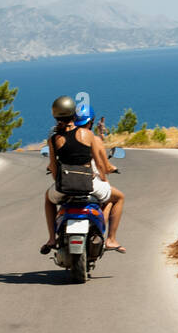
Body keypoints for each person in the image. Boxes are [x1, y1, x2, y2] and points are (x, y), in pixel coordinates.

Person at [41, 96, 126, 255]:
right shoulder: (87, 135)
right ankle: (111, 239)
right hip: (89, 185)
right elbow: (101, 164)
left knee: (48, 198)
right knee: (119, 197)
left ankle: (52, 238)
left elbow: (53, 168)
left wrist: (61, 183)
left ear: (55, 116)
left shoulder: (53, 139)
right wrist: (105, 178)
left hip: (63, 187)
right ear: (74, 114)